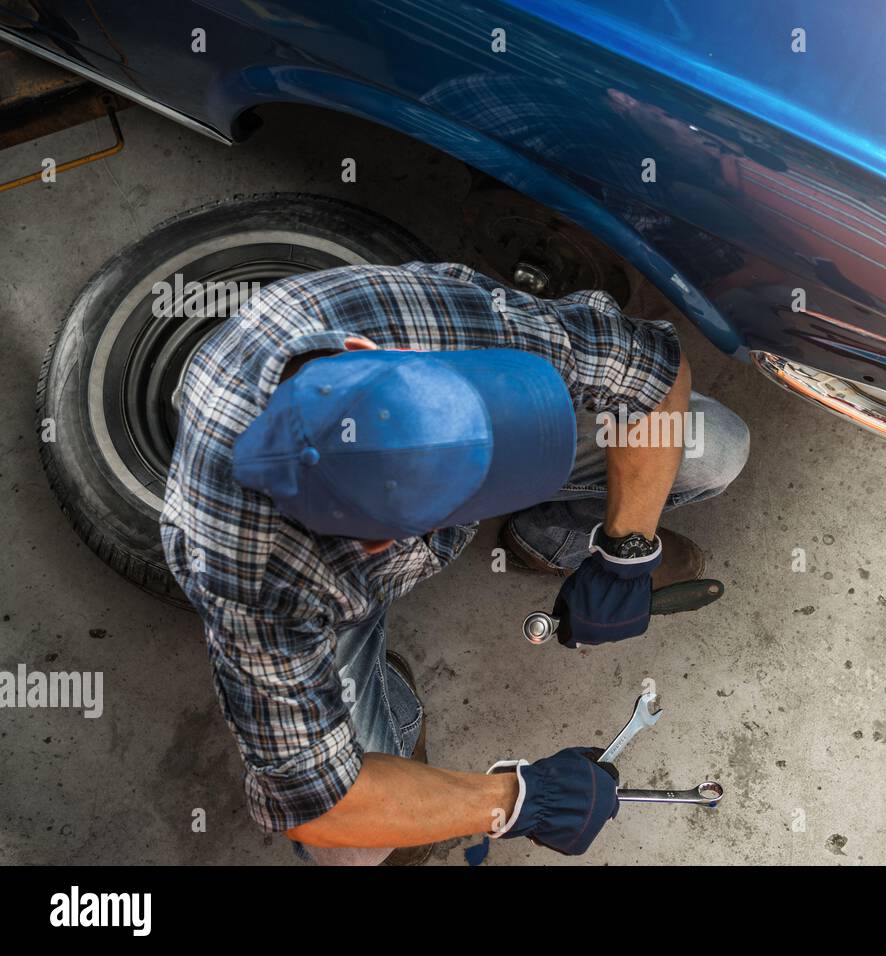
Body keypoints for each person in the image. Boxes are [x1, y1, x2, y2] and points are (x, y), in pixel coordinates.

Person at [160, 261, 749, 864]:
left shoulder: (418, 318)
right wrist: (520, 798)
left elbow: (655, 373)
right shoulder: (254, 582)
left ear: (378, 353)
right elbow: (321, 803)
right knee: (355, 850)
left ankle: (551, 536)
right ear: (378, 545)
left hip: (432, 431)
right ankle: (388, 709)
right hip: (323, 590)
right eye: (476, 493)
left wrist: (626, 547)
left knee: (715, 446)